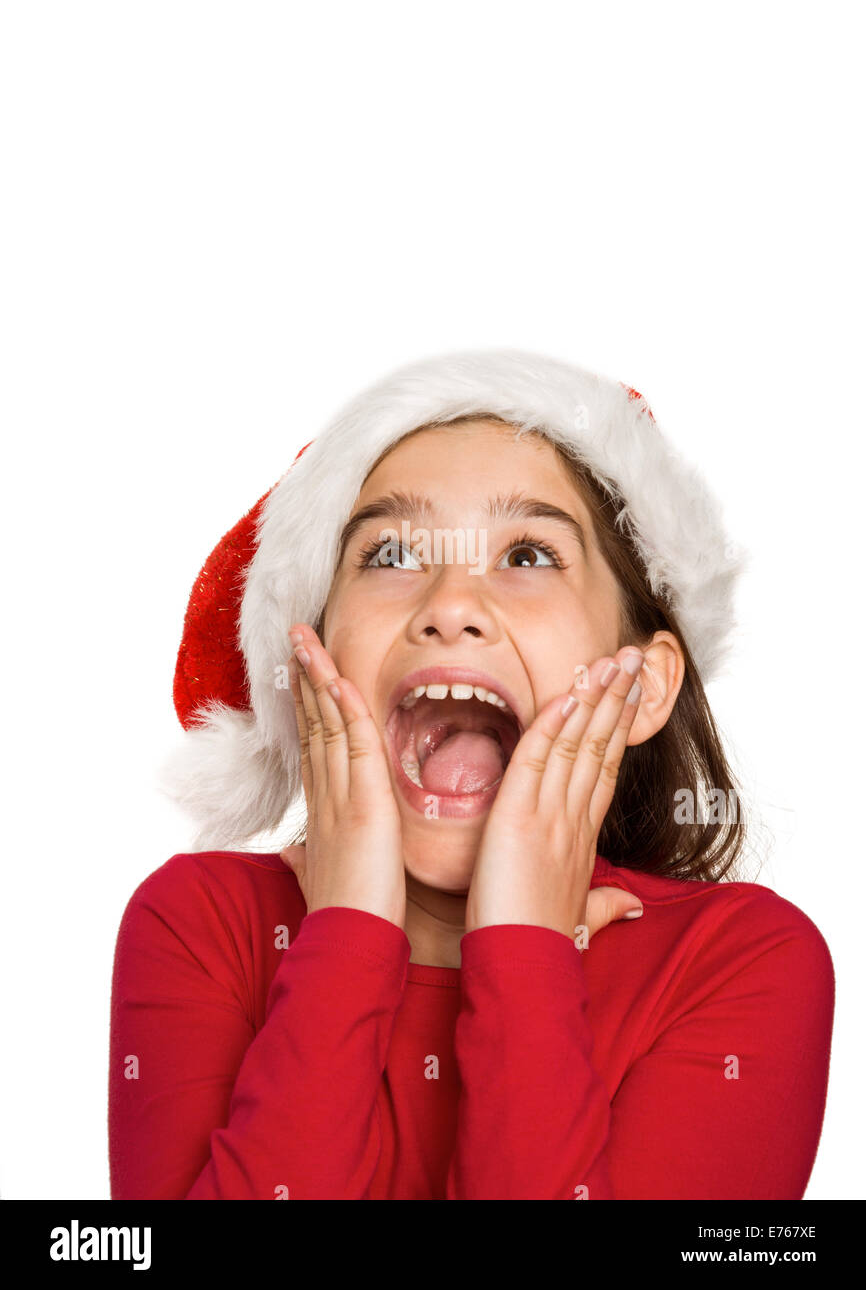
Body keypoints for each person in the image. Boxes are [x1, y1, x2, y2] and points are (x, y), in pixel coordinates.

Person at [108, 348, 834, 1200]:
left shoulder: (743, 959)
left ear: (643, 685)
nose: (451, 605)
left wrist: (524, 948)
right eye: (388, 554)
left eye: (529, 555)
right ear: (304, 660)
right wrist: (346, 932)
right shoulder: (202, 926)